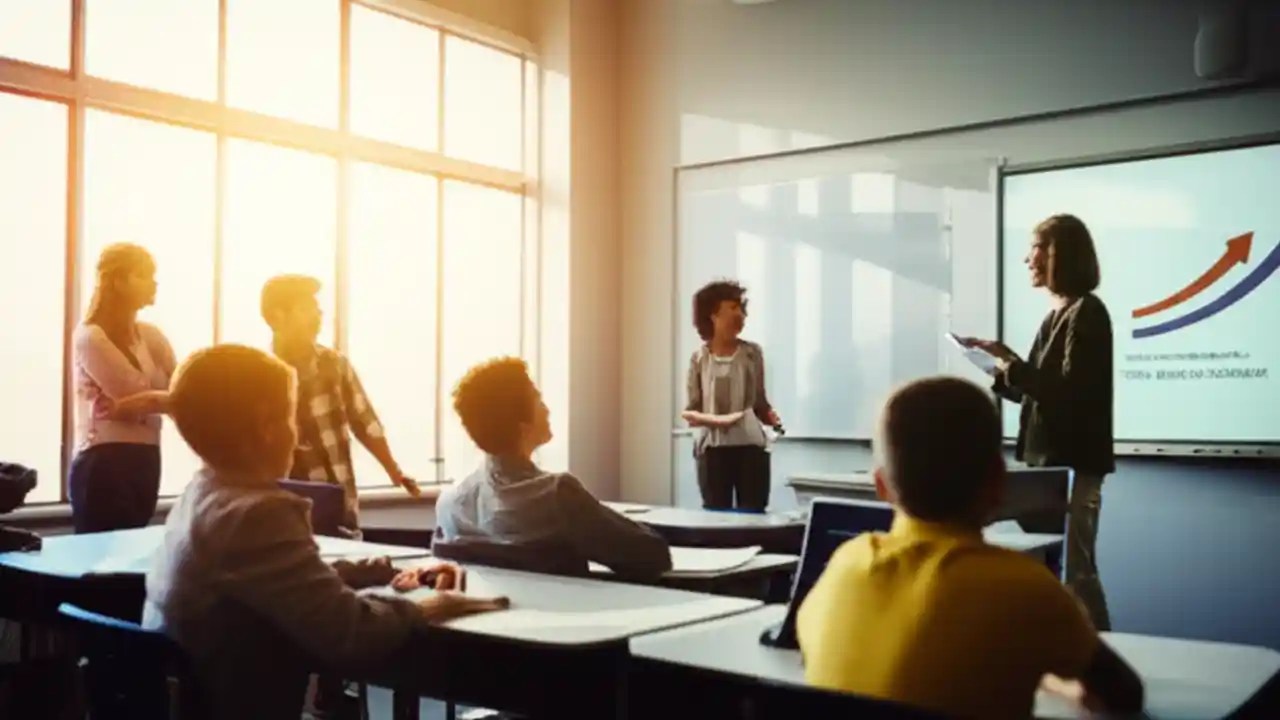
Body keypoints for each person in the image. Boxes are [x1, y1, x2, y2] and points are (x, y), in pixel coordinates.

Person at [143, 344, 507, 720]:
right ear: (268, 428)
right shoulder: (258, 514)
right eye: (290, 416)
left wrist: (381, 571)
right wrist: (427, 608)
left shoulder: (202, 495)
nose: (297, 433)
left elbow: (283, 584)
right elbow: (352, 634)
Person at [796, 376, 1142, 719]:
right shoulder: (1025, 589)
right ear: (999, 480)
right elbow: (1122, 693)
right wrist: (1057, 683)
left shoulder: (845, 565)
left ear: (881, 486)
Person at [966, 213, 1114, 630]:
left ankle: (1102, 662)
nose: (1027, 259)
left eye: (1035, 247)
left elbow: (1069, 392)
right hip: (1045, 464)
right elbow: (1034, 392)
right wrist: (998, 368)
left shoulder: (1087, 312)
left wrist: (1012, 363)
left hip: (1071, 465)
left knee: (1076, 571)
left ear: (1059, 254)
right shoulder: (1055, 316)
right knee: (1050, 569)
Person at [435, 357, 672, 579]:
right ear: (522, 426)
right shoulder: (557, 495)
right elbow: (652, 556)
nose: (547, 409)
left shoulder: (449, 504)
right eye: (538, 400)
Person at [260, 274, 419, 534]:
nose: (317, 314)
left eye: (317, 308)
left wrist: (394, 470)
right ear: (277, 316)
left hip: (340, 499)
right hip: (288, 502)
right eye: (306, 308)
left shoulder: (335, 365)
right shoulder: (261, 373)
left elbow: (365, 421)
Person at [69, 243, 176, 533]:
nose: (154, 283)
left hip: (146, 457)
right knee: (103, 566)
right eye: (143, 275)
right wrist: (161, 400)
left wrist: (152, 401)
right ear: (118, 281)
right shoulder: (91, 336)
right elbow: (131, 395)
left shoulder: (151, 336)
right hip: (104, 462)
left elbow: (183, 390)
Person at [682, 280, 781, 511]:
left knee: (754, 513)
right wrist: (722, 420)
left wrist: (770, 418)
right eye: (733, 308)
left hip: (751, 448)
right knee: (716, 515)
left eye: (741, 309)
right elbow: (690, 411)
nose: (740, 315)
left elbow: (760, 402)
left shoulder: (752, 354)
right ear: (713, 315)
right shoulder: (699, 359)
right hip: (713, 450)